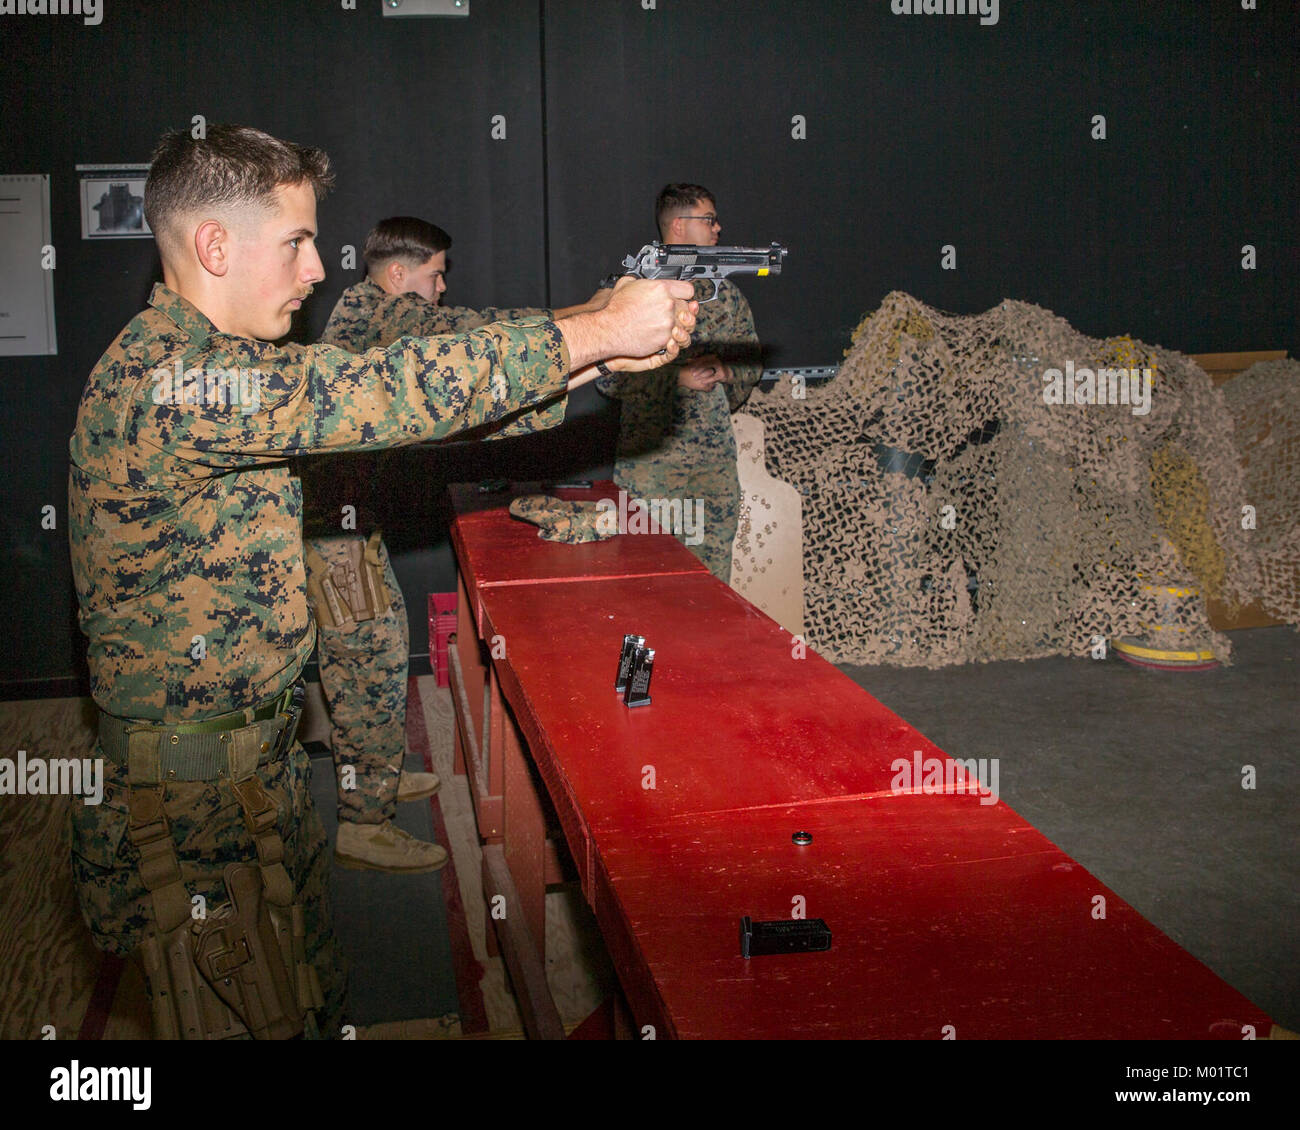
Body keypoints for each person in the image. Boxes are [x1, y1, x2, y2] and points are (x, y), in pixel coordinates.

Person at [66, 124, 695, 1039]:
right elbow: (384, 391)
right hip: (195, 801)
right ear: (213, 246)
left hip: (254, 765)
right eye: (295, 242)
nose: (319, 268)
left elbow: (385, 409)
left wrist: (591, 351)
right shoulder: (174, 382)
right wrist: (592, 331)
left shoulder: (221, 367)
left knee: (305, 993)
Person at [302, 216, 610, 874]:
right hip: (335, 533)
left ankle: (376, 775)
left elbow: (477, 324)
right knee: (365, 661)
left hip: (348, 523)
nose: (442, 288)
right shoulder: (387, 316)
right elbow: (476, 335)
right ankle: (363, 820)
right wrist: (600, 322)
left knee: (376, 648)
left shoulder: (372, 313)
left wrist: (590, 314)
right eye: (435, 274)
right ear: (396, 275)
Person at [596, 184, 764, 582]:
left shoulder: (724, 294)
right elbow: (606, 376)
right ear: (677, 225)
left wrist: (727, 371)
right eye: (708, 219)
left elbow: (751, 359)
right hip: (653, 463)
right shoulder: (633, 290)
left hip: (714, 463)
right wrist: (675, 378)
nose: (718, 228)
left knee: (712, 576)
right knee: (648, 576)